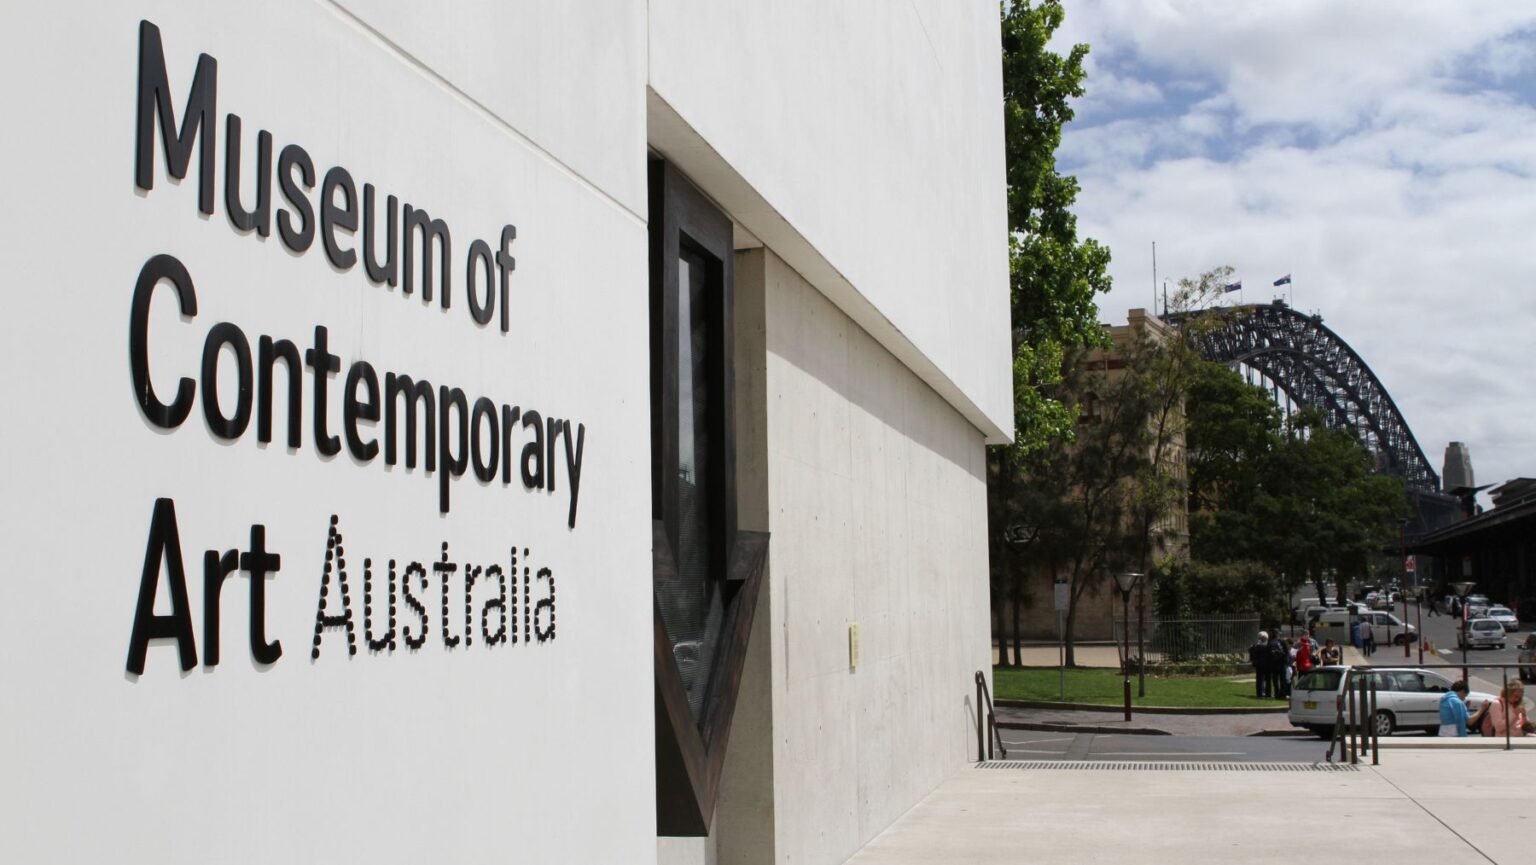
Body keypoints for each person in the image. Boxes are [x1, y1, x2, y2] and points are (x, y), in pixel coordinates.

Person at [1249, 631, 1270, 698]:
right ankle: (1266, 693)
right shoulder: (1267, 646)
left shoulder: (1255, 646)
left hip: (1259, 665)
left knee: (1259, 680)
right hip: (1266, 664)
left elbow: (1251, 654)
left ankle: (1260, 693)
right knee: (1265, 679)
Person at [1267, 632, 1287, 699]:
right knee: (1282, 679)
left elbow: (1268, 654)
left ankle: (1277, 693)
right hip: (1281, 663)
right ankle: (1283, 694)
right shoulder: (1281, 642)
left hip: (1274, 664)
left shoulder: (1270, 643)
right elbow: (1286, 652)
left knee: (1275, 680)